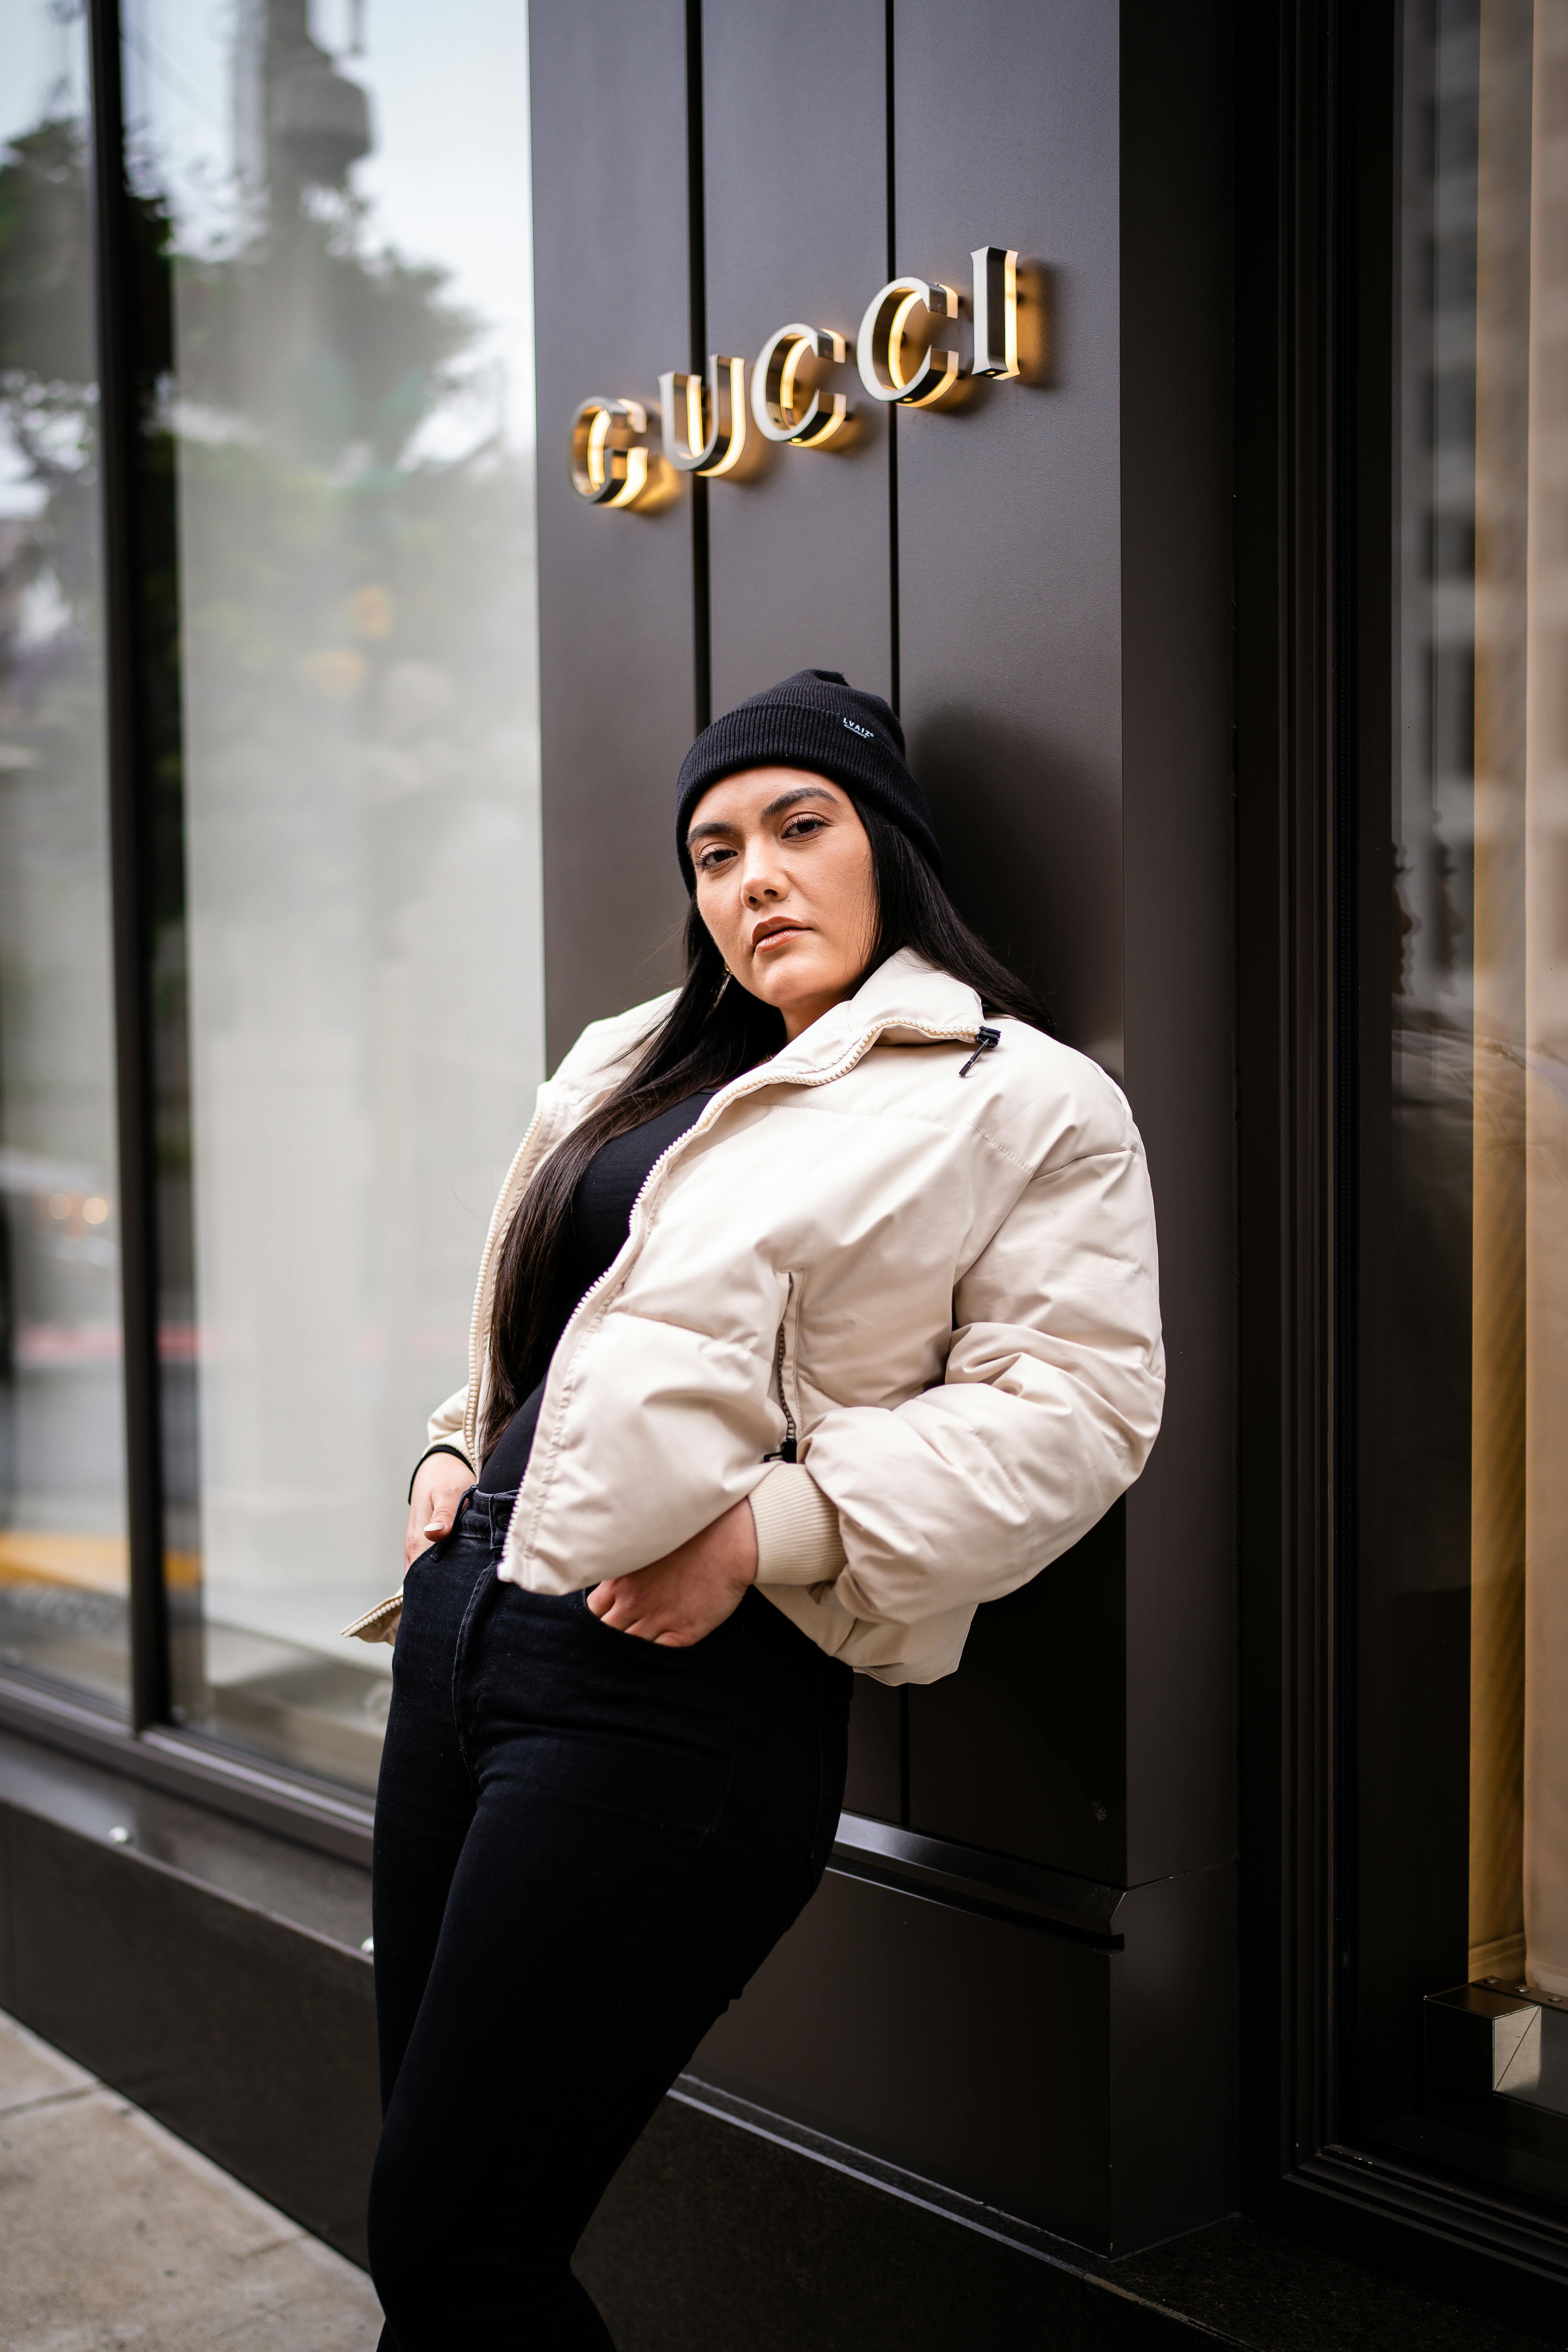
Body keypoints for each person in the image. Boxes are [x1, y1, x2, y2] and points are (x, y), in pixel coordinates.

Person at [351, 668, 1165, 2349]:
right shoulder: (625, 1066)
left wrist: (759, 1533)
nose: (753, 880)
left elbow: (1076, 1413)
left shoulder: (1012, 1097)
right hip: (464, 1640)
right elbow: (559, 1333)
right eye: (715, 851)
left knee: (457, 2242)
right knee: (423, 2205)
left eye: (801, 828)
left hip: (674, 1702)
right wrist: (450, 1451)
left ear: (896, 852)